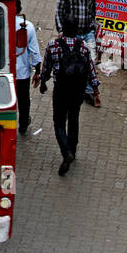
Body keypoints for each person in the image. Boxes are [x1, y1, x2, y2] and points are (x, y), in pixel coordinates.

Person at [35, 18, 100, 175]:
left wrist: (43, 83)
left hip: (61, 90)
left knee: (58, 123)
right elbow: (91, 70)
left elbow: (46, 68)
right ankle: (73, 149)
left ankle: (66, 152)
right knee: (74, 118)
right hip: (78, 90)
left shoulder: (53, 45)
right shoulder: (83, 48)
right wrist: (96, 91)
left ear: (62, 29)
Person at [14, 0, 41, 134]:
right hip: (22, 72)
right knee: (24, 99)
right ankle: (23, 123)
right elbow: (34, 51)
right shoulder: (27, 26)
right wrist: (38, 71)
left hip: (4, 72)